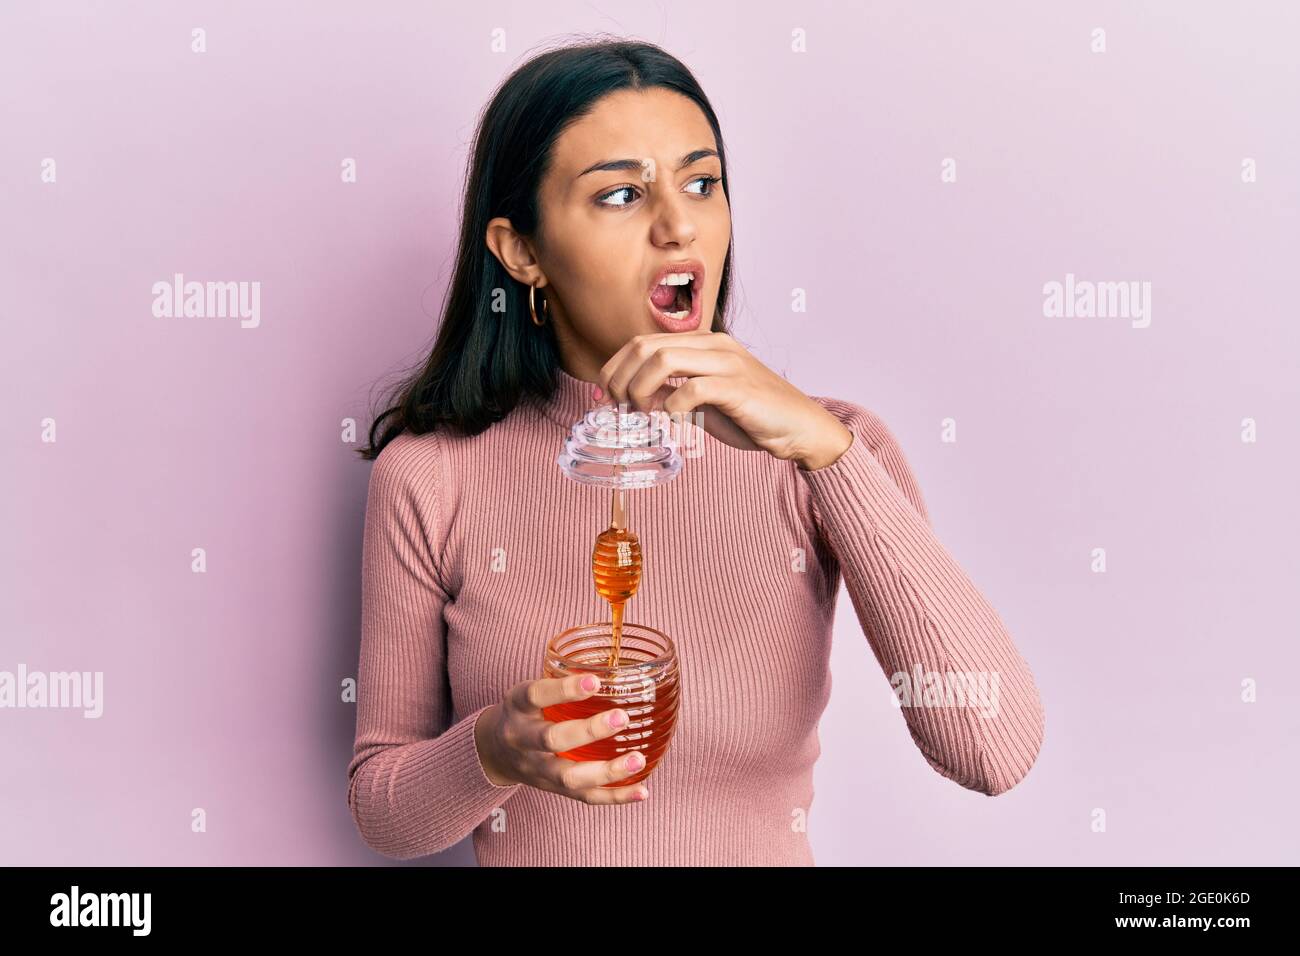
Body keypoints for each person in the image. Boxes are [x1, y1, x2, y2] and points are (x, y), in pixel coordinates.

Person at [346, 37, 1045, 866]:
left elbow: (993, 751)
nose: (679, 225)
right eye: (620, 194)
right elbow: (383, 813)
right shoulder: (432, 478)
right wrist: (495, 749)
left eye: (703, 183)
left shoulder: (829, 451)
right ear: (521, 251)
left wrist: (828, 456)